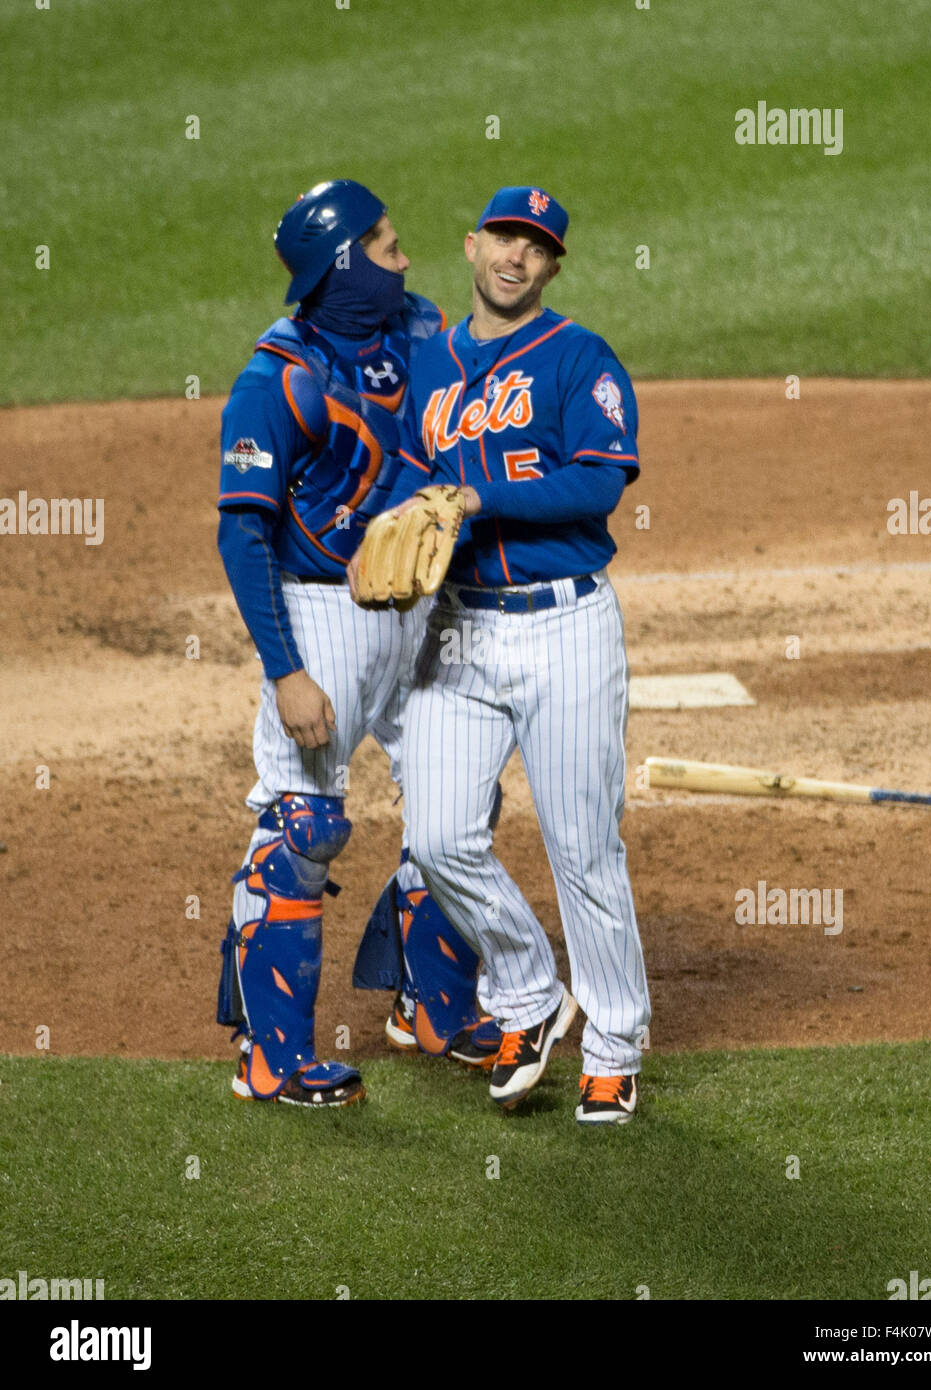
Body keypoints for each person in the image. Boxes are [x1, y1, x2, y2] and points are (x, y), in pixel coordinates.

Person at [214, 179, 499, 1108]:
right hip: (322, 616)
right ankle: (272, 1060)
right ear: (340, 268)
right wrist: (286, 673)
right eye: (383, 246)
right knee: (305, 827)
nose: (405, 257)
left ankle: (433, 1005)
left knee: (461, 797)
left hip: (421, 613)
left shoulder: (423, 336)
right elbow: (242, 535)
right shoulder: (278, 380)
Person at [393, 186, 650, 1125]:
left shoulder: (579, 357)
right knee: (437, 837)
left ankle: (614, 1046)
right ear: (472, 246)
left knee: (583, 848)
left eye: (536, 247)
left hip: (564, 625)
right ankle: (528, 991)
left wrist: (480, 497)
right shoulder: (429, 366)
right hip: (456, 628)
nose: (516, 256)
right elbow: (406, 481)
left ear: (551, 267)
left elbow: (597, 485)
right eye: (504, 237)